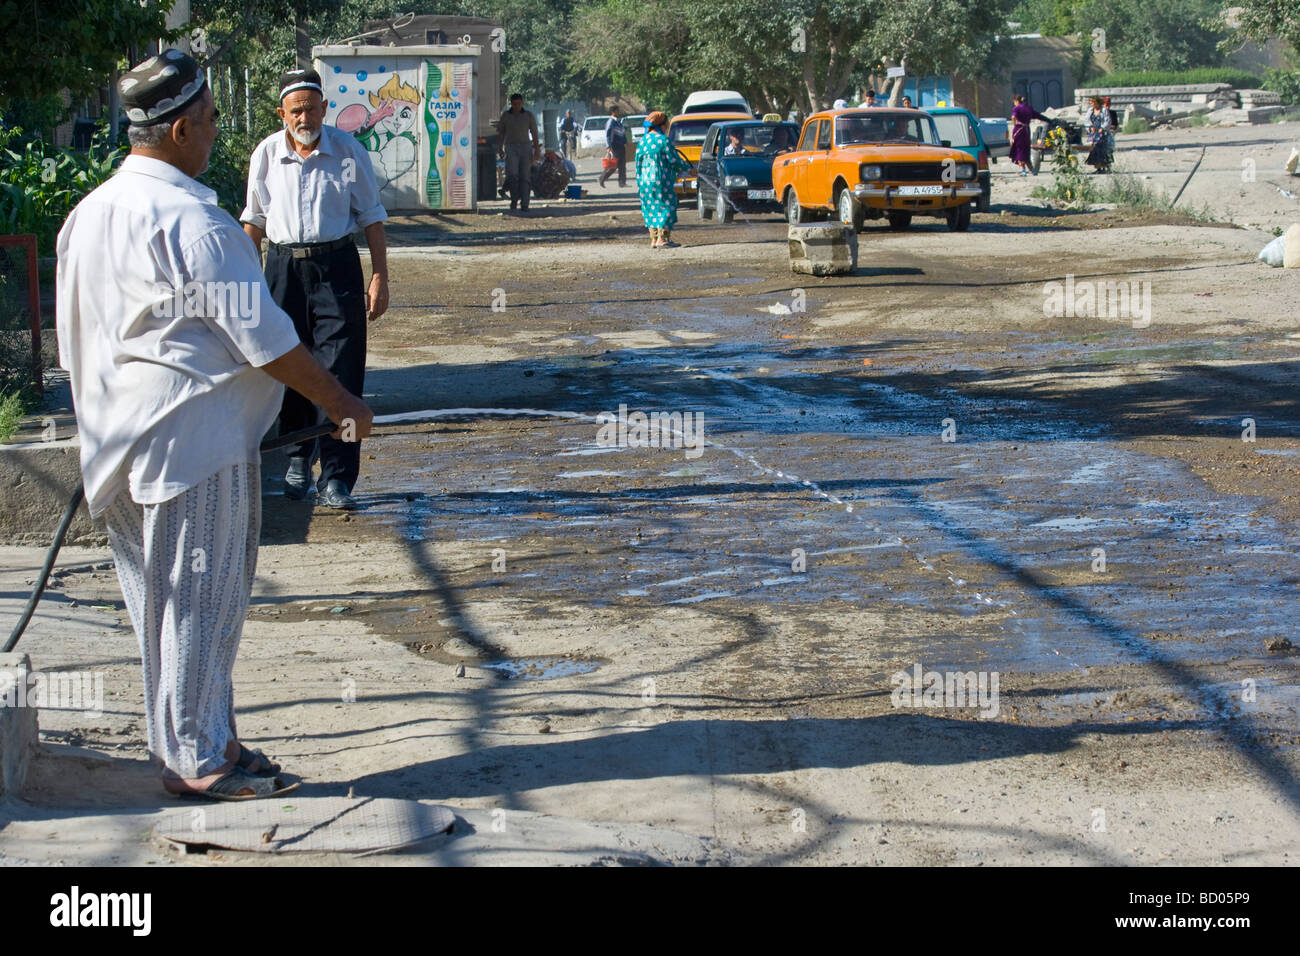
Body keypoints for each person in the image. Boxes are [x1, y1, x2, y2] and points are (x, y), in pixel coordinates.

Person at [56, 51, 374, 800]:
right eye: (205, 123)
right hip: (191, 449)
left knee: (158, 607)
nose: (212, 135)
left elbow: (72, 341)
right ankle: (197, 759)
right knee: (201, 604)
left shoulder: (89, 214)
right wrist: (343, 404)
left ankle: (208, 737)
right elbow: (264, 339)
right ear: (175, 131)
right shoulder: (193, 219)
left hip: (116, 447)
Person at [242, 68, 390, 512]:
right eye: (295, 110)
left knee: (342, 370)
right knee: (287, 364)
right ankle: (295, 458)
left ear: (325, 109)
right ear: (281, 114)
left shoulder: (348, 152)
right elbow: (254, 221)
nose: (304, 117)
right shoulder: (266, 155)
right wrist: (243, 280)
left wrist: (380, 275)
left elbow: (372, 216)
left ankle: (337, 478)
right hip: (283, 268)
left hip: (337, 267)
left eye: (311, 108)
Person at [636, 110, 689, 248]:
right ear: (662, 125)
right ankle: (662, 238)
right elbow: (674, 160)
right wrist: (689, 169)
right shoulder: (663, 141)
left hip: (644, 182)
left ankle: (654, 239)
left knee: (650, 207)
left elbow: (637, 164)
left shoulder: (642, 142)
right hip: (661, 181)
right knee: (666, 206)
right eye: (666, 125)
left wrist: (640, 181)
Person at [496, 93, 541, 211]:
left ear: (522, 103)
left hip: (525, 148)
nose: (517, 106)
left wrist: (536, 150)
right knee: (512, 175)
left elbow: (534, 133)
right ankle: (514, 200)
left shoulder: (528, 115)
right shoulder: (506, 116)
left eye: (519, 104)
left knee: (525, 176)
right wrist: (500, 148)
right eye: (514, 104)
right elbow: (501, 133)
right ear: (511, 104)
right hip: (511, 148)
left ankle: (525, 203)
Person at [1009, 93, 1048, 175]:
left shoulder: (1016, 109)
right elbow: (1038, 115)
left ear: (1016, 101)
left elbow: (1013, 117)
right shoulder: (1028, 108)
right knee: (1026, 149)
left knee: (1019, 149)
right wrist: (1048, 120)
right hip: (1026, 130)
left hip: (1018, 130)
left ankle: (1023, 170)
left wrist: (1014, 123)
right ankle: (1032, 170)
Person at [599, 106, 628, 188]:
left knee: (622, 165)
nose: (619, 112)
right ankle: (602, 178)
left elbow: (622, 133)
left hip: (621, 145)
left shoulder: (618, 122)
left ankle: (622, 182)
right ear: (613, 112)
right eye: (618, 111)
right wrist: (608, 146)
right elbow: (608, 135)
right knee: (613, 165)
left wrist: (625, 142)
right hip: (614, 146)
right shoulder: (610, 122)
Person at [1085, 95, 1113, 173]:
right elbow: (1087, 120)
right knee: (1094, 149)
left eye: (1093, 103)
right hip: (1093, 133)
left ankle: (1104, 167)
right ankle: (1098, 167)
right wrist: (1090, 127)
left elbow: (1107, 120)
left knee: (1102, 149)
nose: (1092, 104)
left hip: (1102, 133)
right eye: (1090, 103)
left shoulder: (1103, 110)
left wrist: (1102, 128)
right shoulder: (1090, 110)